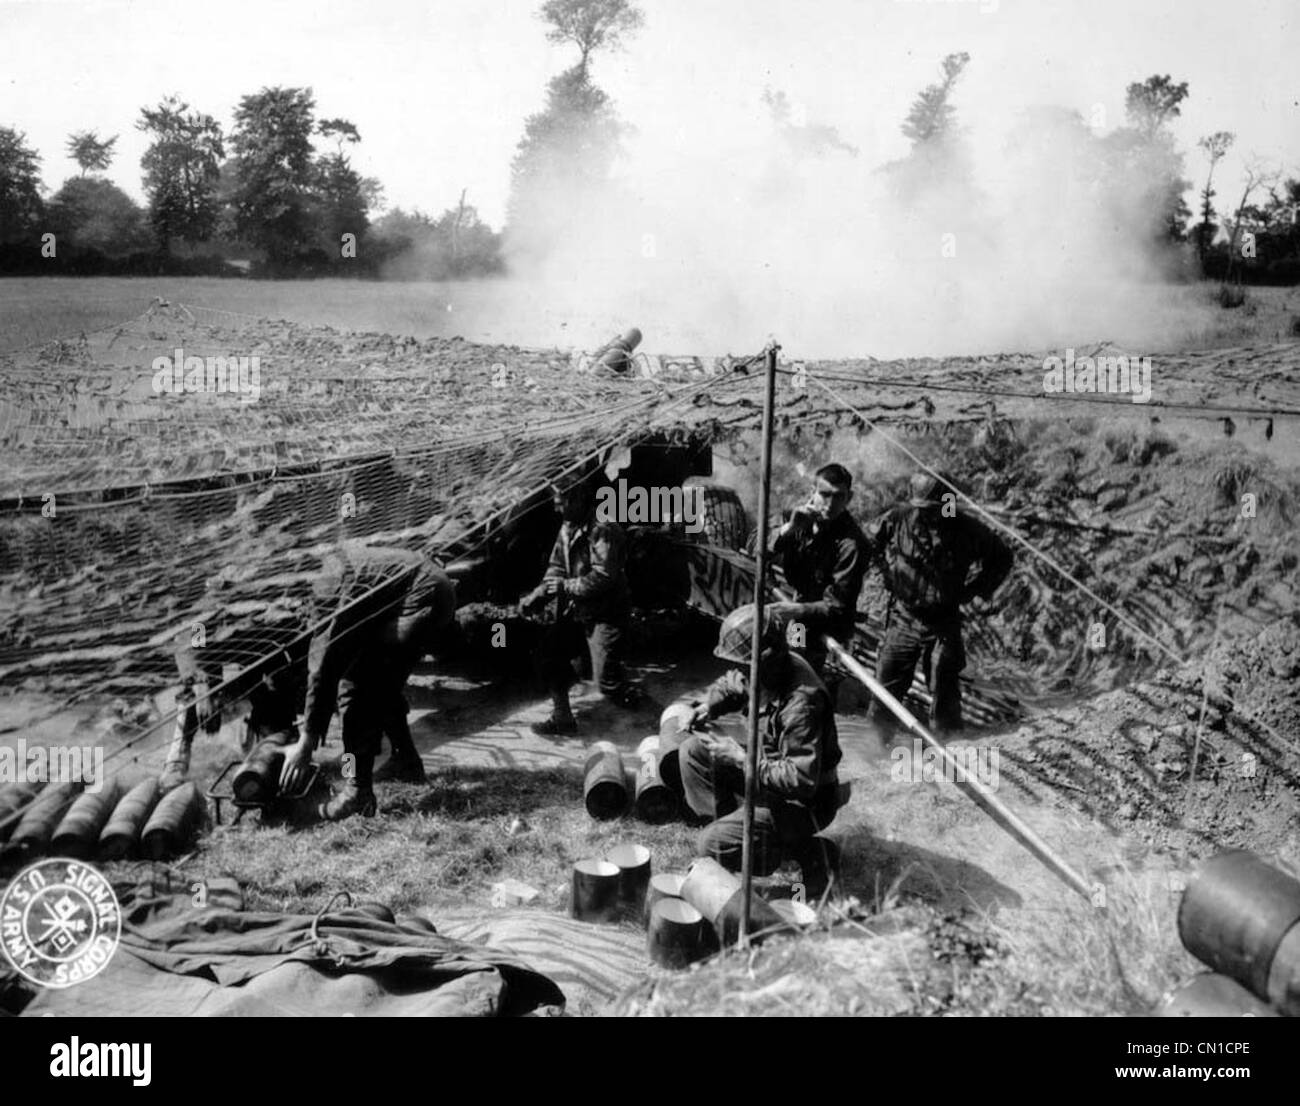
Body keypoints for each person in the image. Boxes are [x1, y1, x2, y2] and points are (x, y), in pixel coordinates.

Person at [280, 545, 457, 820]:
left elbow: (325, 658)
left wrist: (307, 739)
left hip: (421, 599)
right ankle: (407, 761)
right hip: (435, 591)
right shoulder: (336, 564)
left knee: (354, 685)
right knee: (382, 682)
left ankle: (357, 792)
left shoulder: (328, 581)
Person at [680, 604, 844, 894]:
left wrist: (743, 759)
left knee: (711, 845)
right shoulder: (765, 669)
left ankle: (809, 852)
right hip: (767, 772)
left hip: (805, 803)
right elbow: (733, 684)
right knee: (694, 752)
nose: (739, 671)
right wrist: (708, 705)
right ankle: (731, 831)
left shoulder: (801, 703)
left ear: (765, 660)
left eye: (744, 665)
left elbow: (801, 780)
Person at [865, 470, 1013, 739]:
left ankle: (947, 750)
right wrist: (884, 574)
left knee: (945, 689)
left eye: (935, 508)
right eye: (922, 508)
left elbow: (1002, 557)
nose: (928, 514)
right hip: (904, 618)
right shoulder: (899, 518)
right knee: (886, 686)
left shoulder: (966, 529)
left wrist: (975, 589)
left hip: (944, 621)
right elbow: (869, 543)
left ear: (947, 503)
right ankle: (876, 750)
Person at [522, 475, 640, 735]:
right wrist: (539, 593)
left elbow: (603, 577)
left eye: (560, 502)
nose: (556, 508)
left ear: (577, 499)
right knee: (547, 655)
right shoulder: (567, 527)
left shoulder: (604, 528)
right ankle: (562, 718)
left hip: (607, 613)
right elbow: (556, 567)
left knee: (607, 684)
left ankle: (643, 711)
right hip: (576, 611)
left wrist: (565, 587)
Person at [769, 462, 870, 695]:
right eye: (824, 495)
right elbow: (757, 549)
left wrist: (796, 610)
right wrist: (789, 530)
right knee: (780, 667)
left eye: (839, 497)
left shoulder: (852, 544)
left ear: (849, 498)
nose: (830, 504)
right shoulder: (794, 518)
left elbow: (836, 607)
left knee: (802, 679)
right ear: (812, 492)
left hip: (822, 622)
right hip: (794, 609)